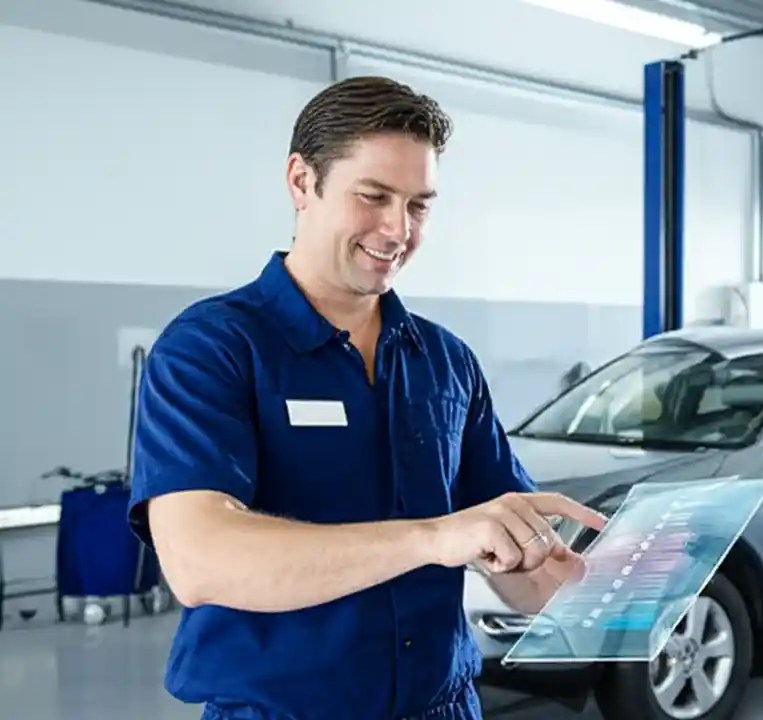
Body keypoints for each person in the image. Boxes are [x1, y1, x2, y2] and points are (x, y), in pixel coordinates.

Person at [127, 75, 608, 720]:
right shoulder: (210, 349)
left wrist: (626, 594)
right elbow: (199, 559)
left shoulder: (445, 362)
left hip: (444, 707)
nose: (397, 230)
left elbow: (518, 567)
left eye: (419, 205)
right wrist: (431, 538)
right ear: (302, 182)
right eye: (374, 196)